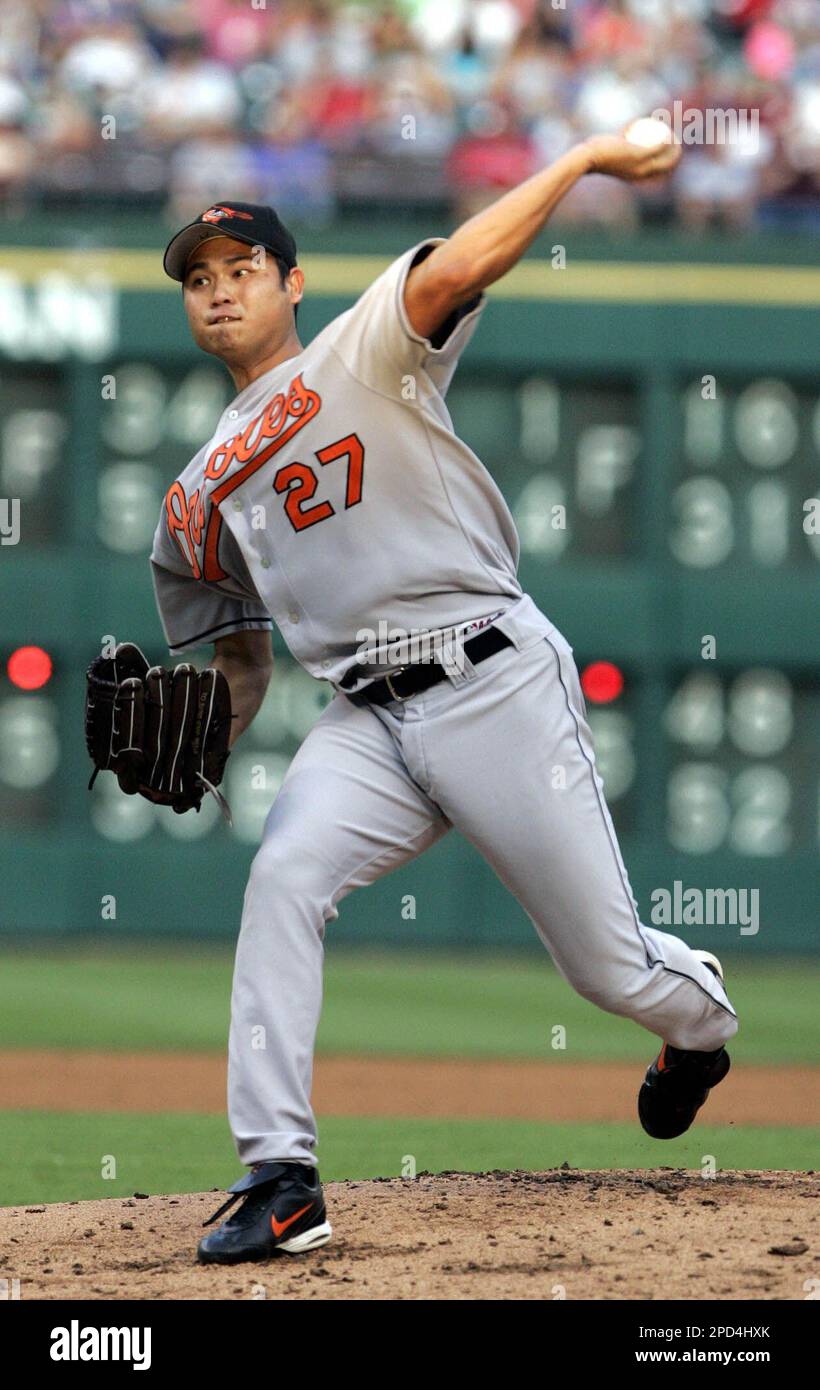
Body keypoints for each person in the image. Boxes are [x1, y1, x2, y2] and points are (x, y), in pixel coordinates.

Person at [148, 129, 738, 1266]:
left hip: (490, 678)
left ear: (291, 281)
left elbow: (464, 263)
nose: (219, 290)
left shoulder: (362, 349)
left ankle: (698, 1024)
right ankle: (281, 1176)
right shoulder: (193, 497)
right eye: (199, 278)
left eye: (240, 268)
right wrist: (202, 748)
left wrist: (584, 160)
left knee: (606, 967)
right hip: (363, 717)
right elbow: (242, 667)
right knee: (282, 877)